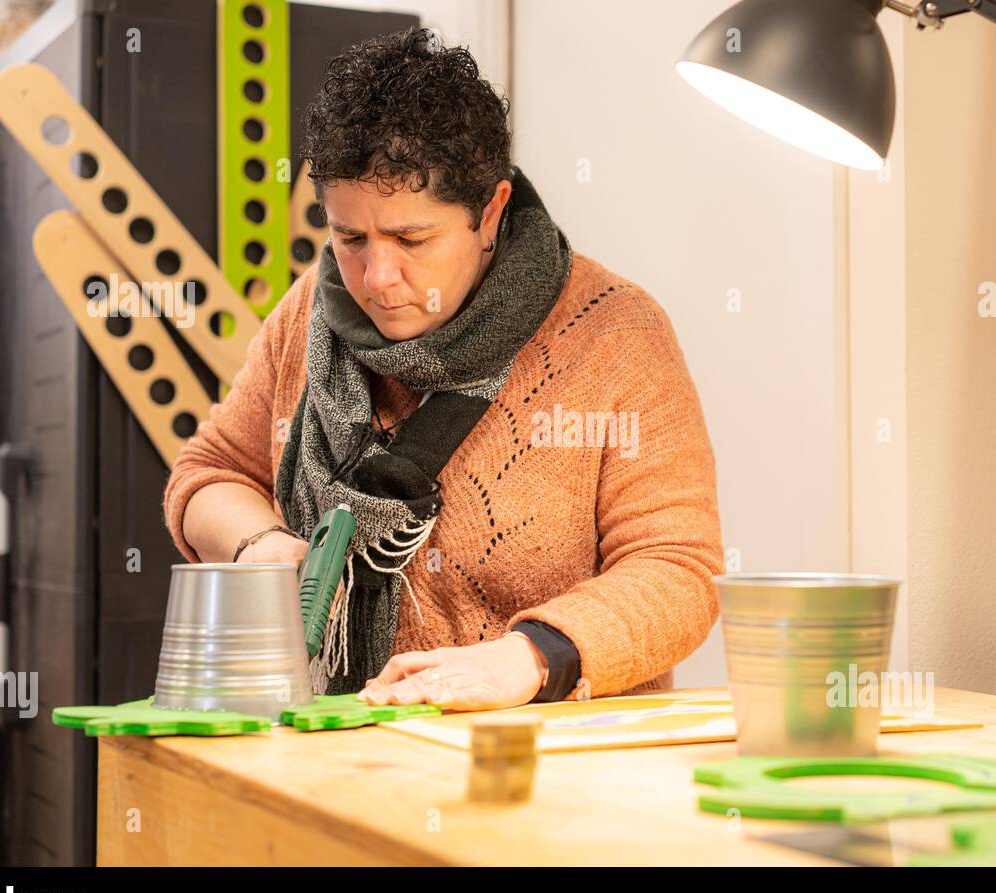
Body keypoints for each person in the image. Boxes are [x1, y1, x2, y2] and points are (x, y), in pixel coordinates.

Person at [163, 27, 723, 712]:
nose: (377, 276)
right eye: (350, 238)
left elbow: (679, 569)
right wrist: (259, 544)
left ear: (490, 212)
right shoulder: (309, 310)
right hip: (340, 759)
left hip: (551, 774)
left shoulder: (615, 333)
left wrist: (528, 657)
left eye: (411, 238)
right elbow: (207, 475)